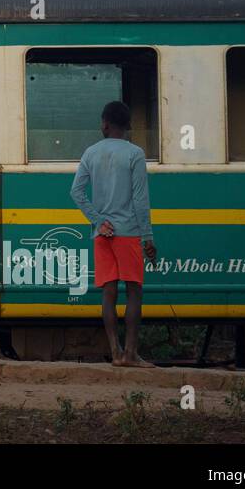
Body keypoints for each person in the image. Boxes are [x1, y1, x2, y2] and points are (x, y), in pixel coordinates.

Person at [69, 101, 157, 367]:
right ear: (128, 126)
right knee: (134, 291)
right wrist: (147, 237)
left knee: (108, 292)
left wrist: (98, 221)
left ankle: (115, 353)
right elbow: (140, 200)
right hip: (129, 232)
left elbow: (76, 192)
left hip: (102, 234)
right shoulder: (135, 154)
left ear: (105, 124)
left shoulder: (91, 153)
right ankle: (131, 353)